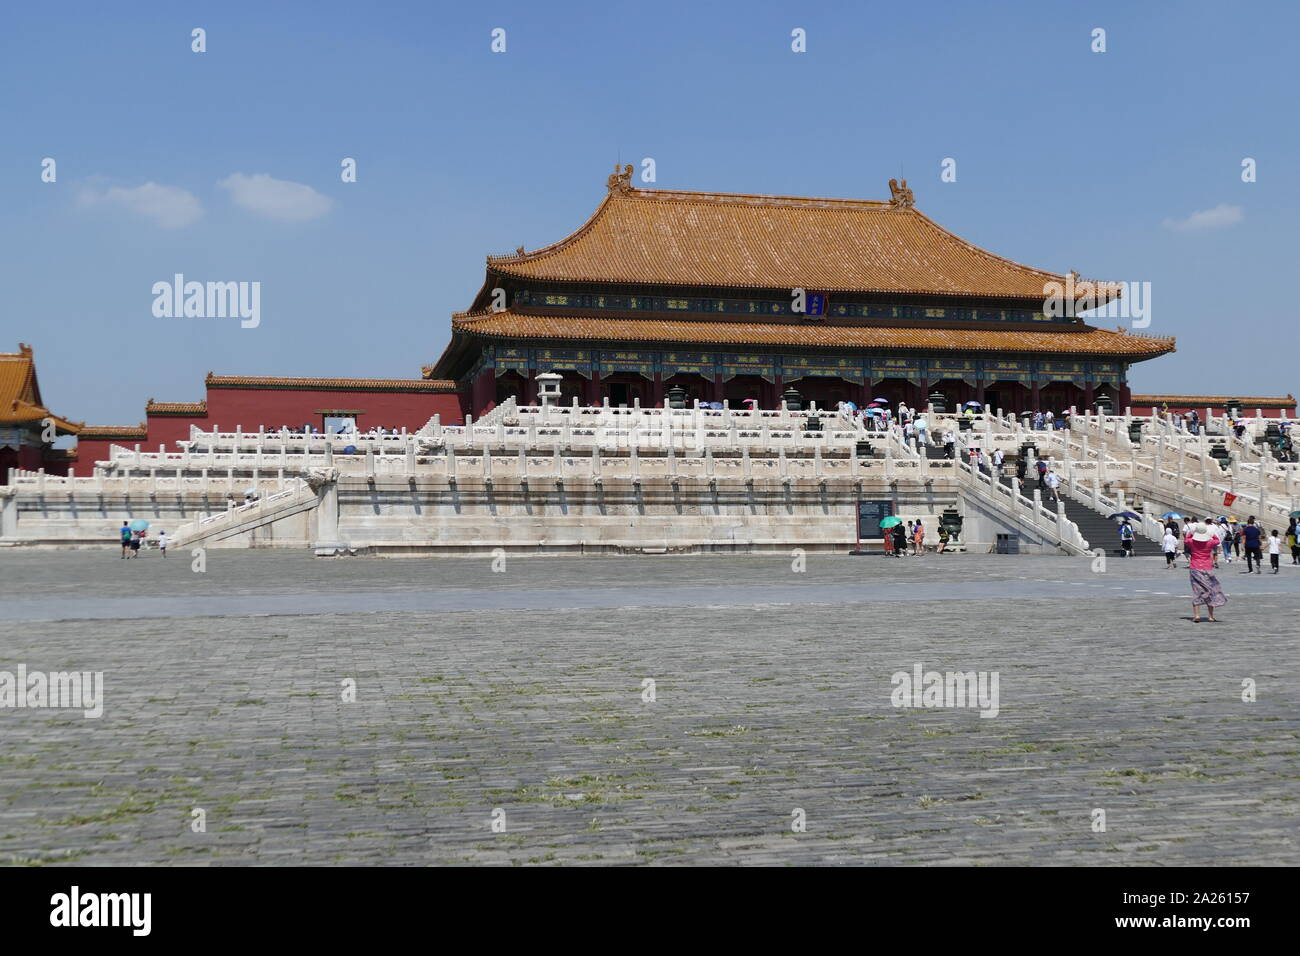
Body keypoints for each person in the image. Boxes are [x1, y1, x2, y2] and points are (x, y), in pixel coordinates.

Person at [1185, 522, 1226, 623]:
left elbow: (1186, 539)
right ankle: (1211, 616)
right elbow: (1217, 540)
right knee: (1210, 591)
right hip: (1207, 568)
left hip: (1195, 567)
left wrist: (1192, 532)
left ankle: (1197, 615)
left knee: (1196, 591)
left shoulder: (1191, 541)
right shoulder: (1210, 542)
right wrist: (1211, 533)